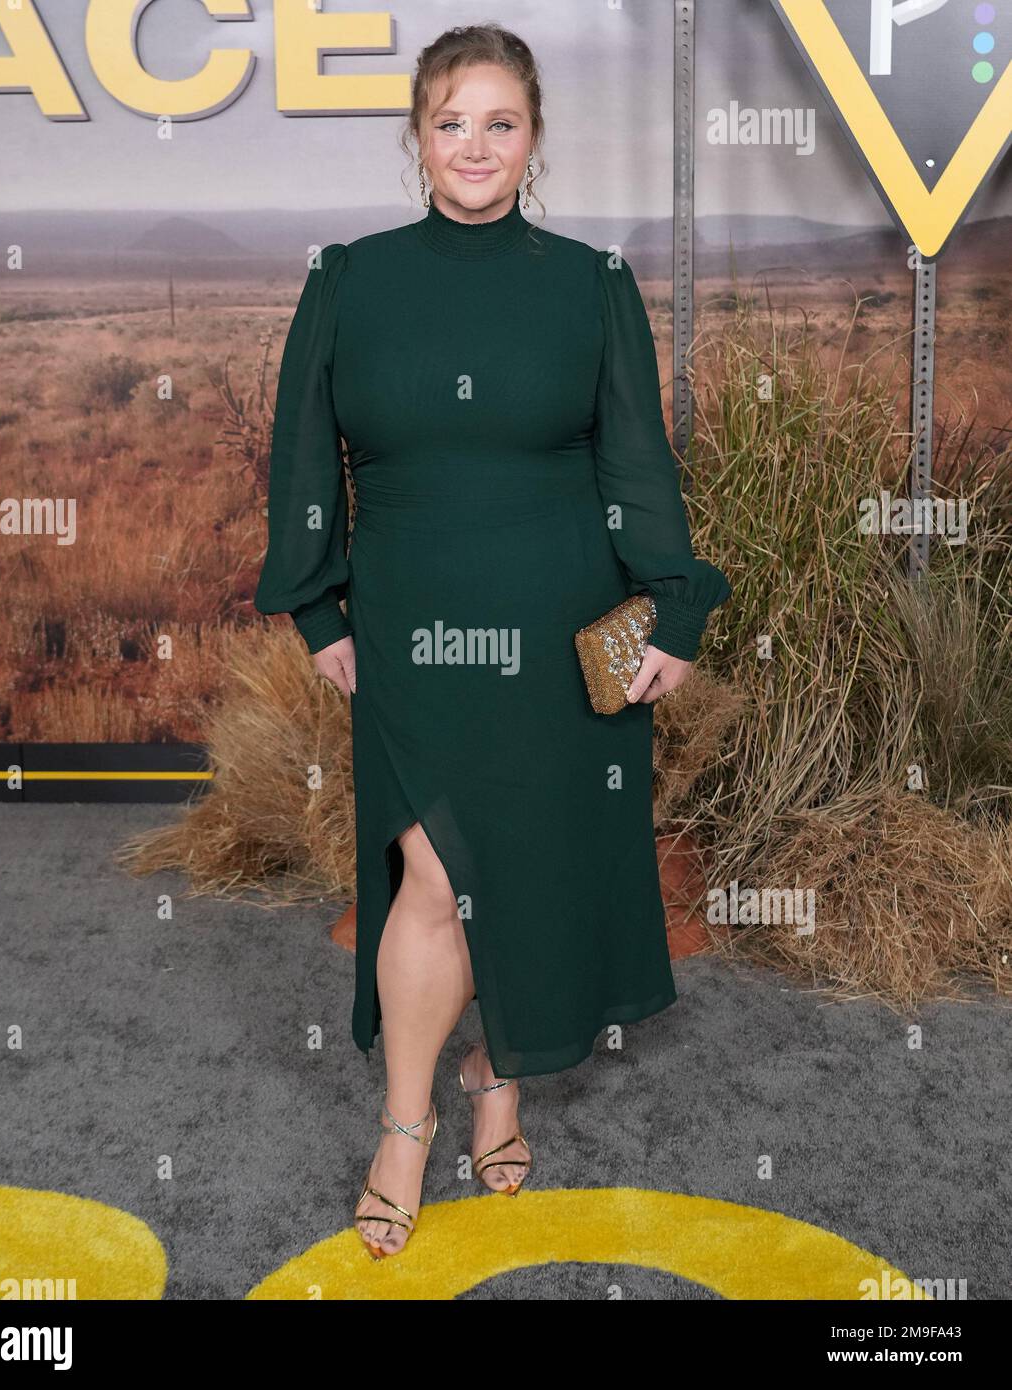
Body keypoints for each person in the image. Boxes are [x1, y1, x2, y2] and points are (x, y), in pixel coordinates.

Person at [253, 24, 732, 1259]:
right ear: (414, 137)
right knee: (431, 867)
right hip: (410, 625)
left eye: (499, 122)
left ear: (534, 140)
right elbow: (307, 456)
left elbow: (633, 459)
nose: (473, 145)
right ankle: (405, 1125)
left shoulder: (590, 285)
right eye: (449, 121)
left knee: (519, 868)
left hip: (554, 617)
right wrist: (316, 608)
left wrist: (670, 604)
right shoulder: (348, 279)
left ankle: (498, 1078)